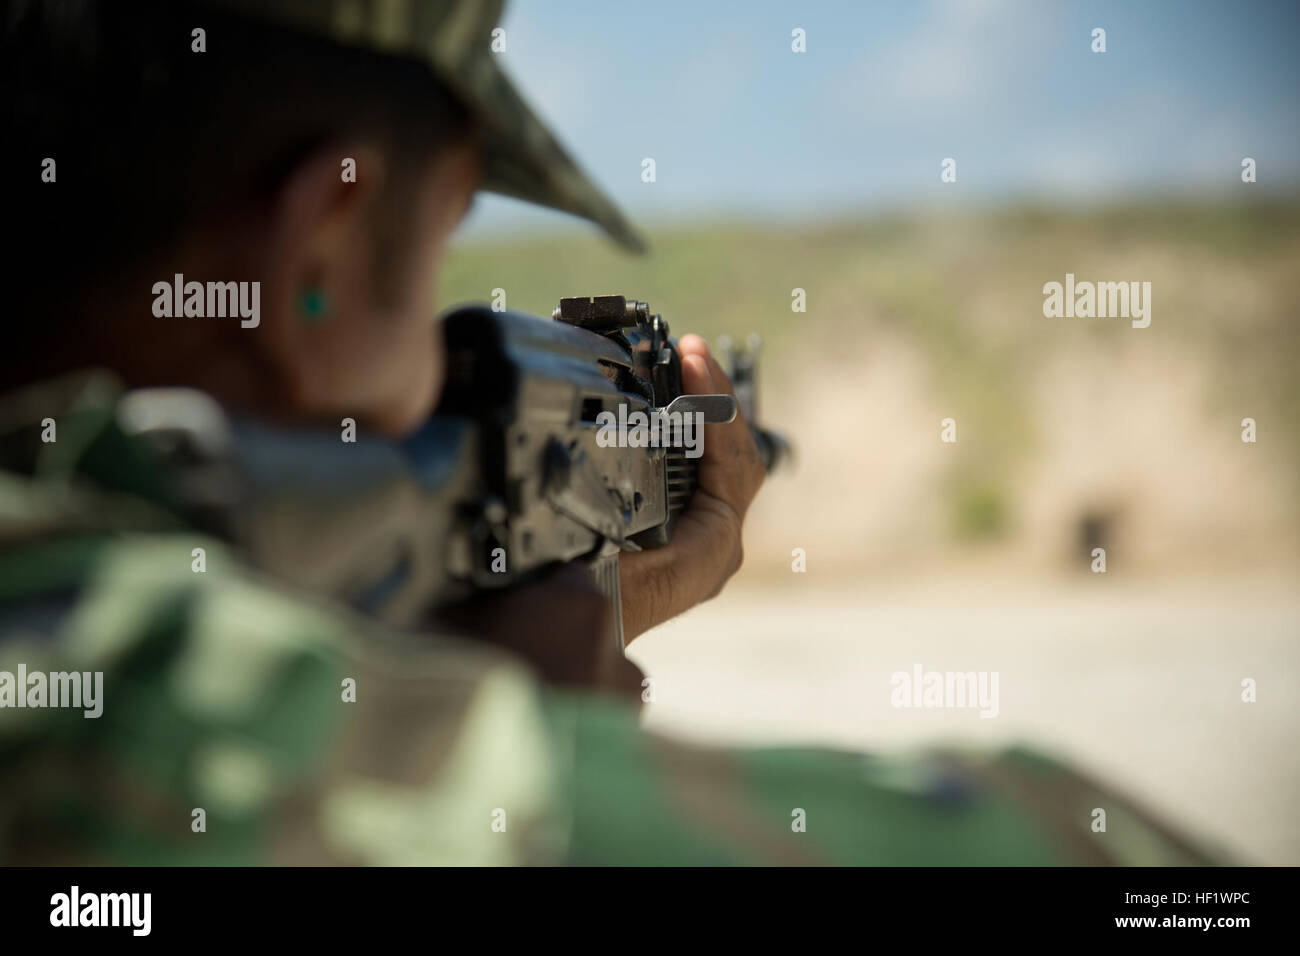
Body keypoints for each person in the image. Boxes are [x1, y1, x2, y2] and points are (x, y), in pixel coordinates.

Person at [0, 0, 1215, 865]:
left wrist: (492, 647)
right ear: (320, 246)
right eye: (449, 231)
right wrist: (505, 738)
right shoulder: (124, 702)